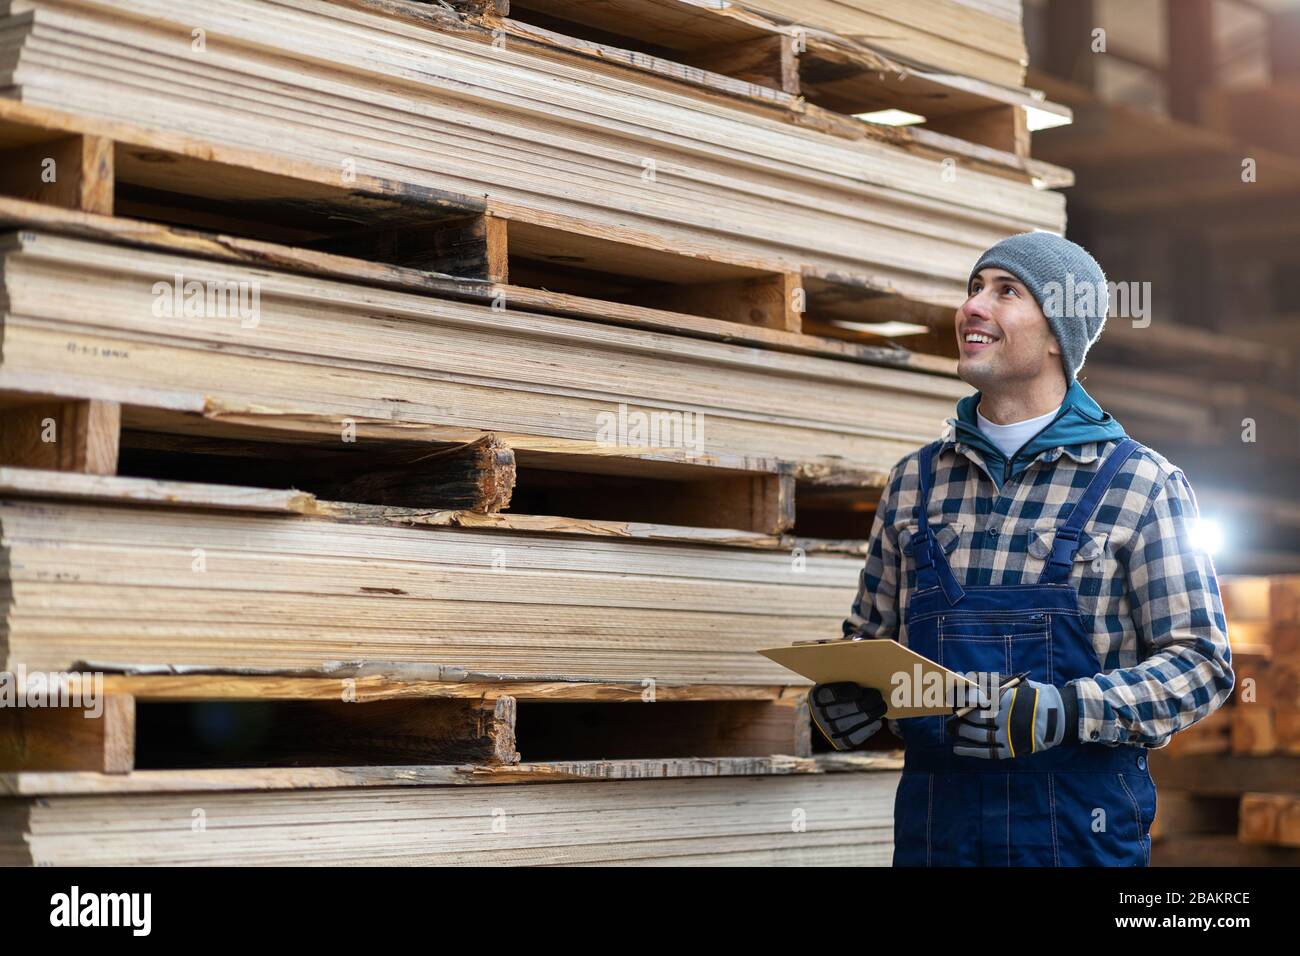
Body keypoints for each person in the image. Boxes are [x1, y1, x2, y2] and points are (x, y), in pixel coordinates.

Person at [809, 231, 1234, 866]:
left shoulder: (1141, 485)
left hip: (1074, 841)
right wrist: (848, 702)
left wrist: (1066, 709)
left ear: (1061, 333)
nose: (974, 306)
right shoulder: (914, 483)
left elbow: (1201, 666)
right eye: (973, 288)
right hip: (937, 841)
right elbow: (870, 646)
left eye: (1006, 292)